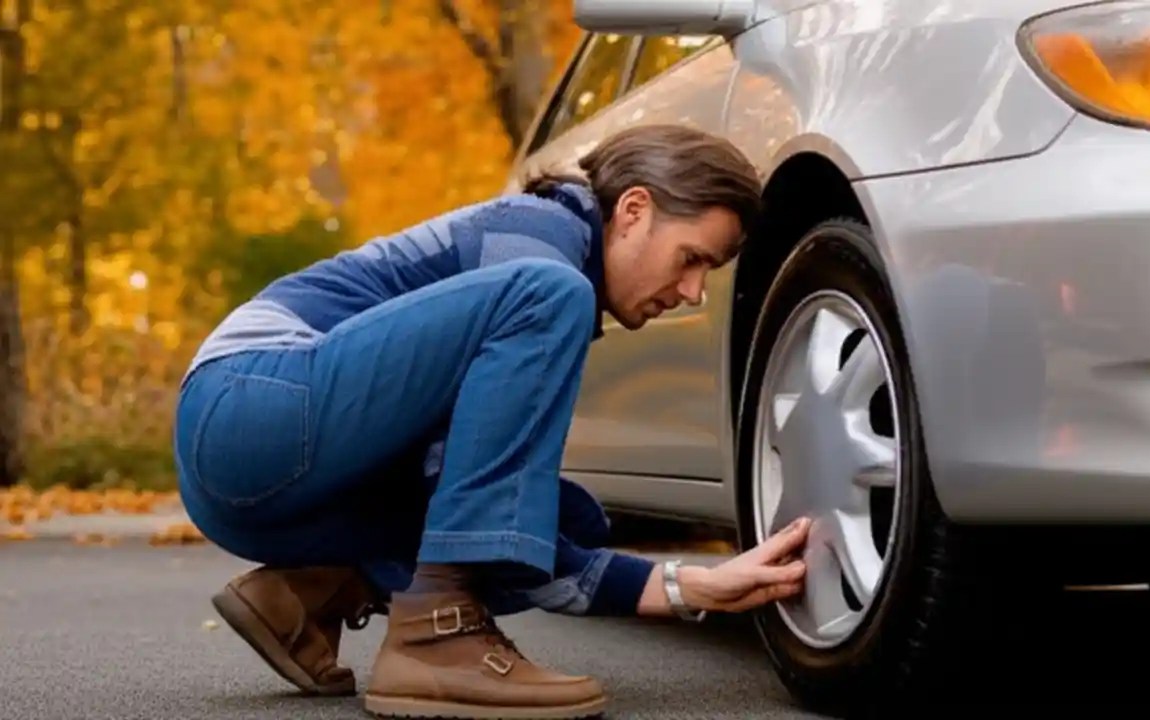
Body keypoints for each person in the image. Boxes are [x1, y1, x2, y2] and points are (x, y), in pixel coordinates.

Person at [172, 123, 813, 719]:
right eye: (692, 258)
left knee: (566, 521)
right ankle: (436, 631)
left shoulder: (537, 270)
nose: (695, 292)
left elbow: (500, 516)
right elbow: (460, 483)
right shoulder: (541, 233)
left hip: (266, 483)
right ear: (635, 210)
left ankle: (306, 596)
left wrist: (687, 587)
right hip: (249, 403)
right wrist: (671, 583)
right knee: (550, 302)